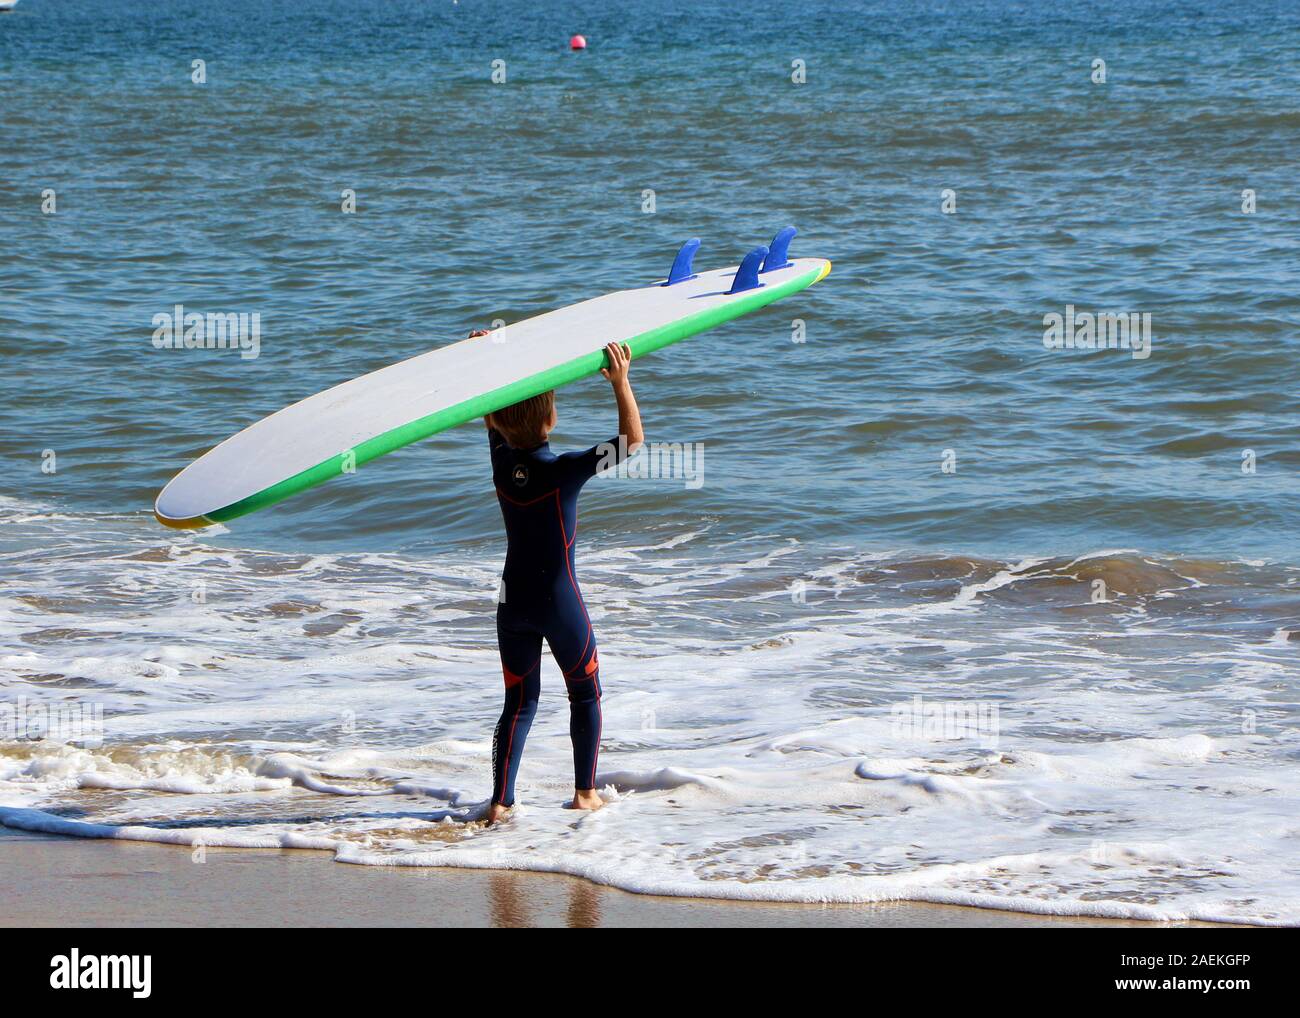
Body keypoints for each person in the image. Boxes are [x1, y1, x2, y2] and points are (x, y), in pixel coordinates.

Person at [469, 333, 644, 825]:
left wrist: (490, 359)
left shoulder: (501, 464)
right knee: (585, 692)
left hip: (512, 602)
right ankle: (585, 794)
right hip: (558, 601)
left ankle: (499, 804)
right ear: (552, 419)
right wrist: (620, 382)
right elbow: (631, 443)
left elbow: (495, 418)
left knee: (519, 703)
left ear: (498, 421)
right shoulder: (564, 471)